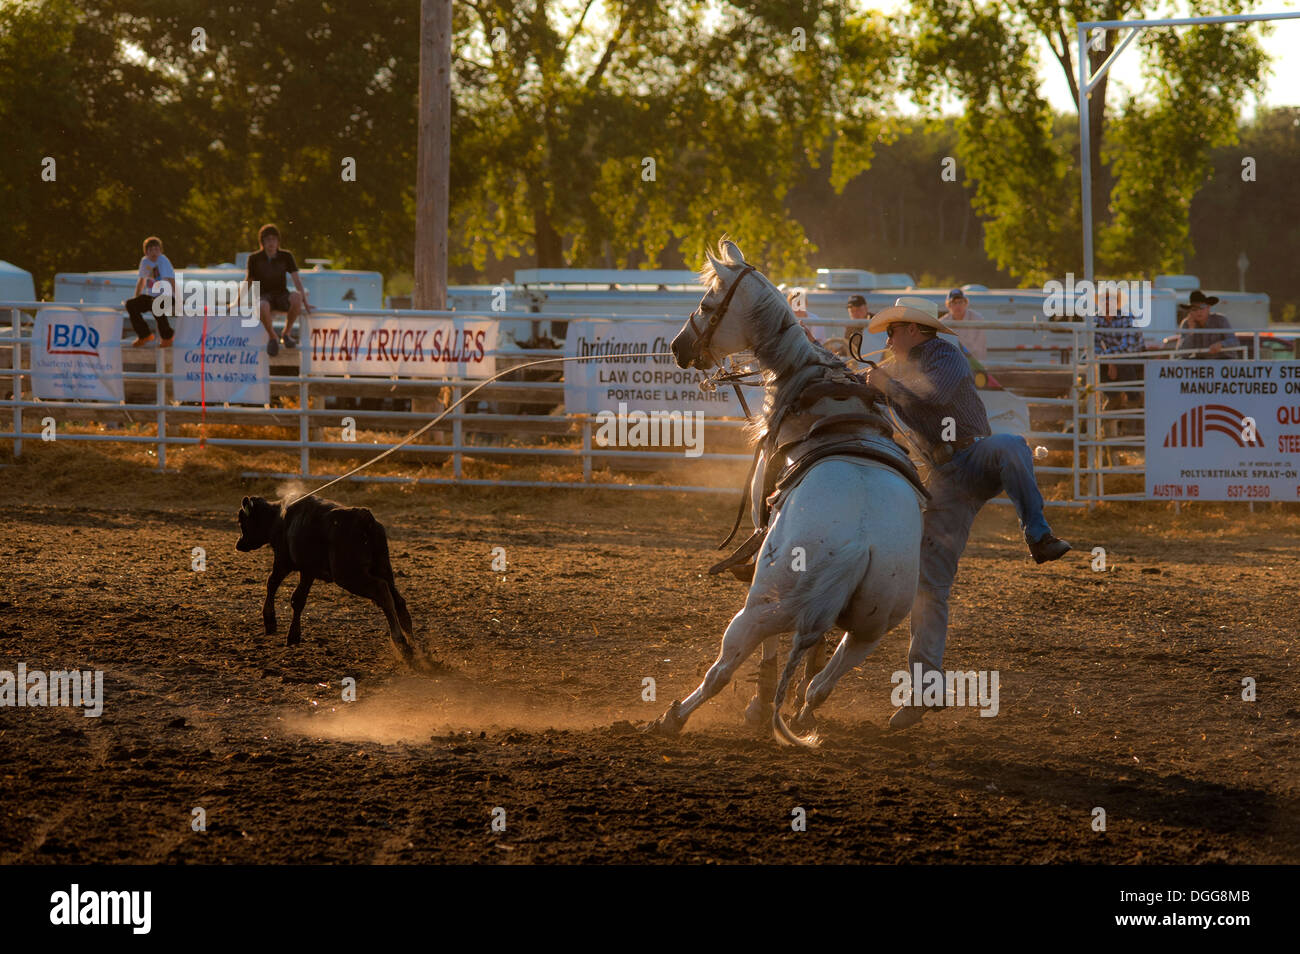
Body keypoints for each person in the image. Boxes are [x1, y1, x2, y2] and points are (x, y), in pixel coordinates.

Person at [860, 296, 1071, 730]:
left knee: (1012, 445)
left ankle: (1038, 534)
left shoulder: (946, 355)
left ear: (915, 330)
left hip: (975, 457)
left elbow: (932, 396)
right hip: (946, 480)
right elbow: (884, 390)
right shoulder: (897, 368)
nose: (888, 338)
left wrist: (884, 385)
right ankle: (924, 688)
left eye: (893, 330)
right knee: (929, 585)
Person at [246, 224, 312, 356]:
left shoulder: (286, 256)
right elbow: (248, 280)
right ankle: (272, 337)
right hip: (264, 296)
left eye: (274, 239)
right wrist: (236, 302)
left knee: (296, 297)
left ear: (278, 242)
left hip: (281, 294)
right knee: (263, 305)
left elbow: (297, 280)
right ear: (262, 242)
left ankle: (286, 333)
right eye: (268, 239)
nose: (271, 243)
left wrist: (304, 301)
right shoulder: (254, 258)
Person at [1094, 287, 1147, 432]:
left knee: (1125, 368)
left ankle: (1129, 411)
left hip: (1134, 359)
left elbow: (1128, 348)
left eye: (1110, 300)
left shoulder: (1127, 317)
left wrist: (1111, 360)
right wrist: (1111, 361)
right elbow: (1094, 347)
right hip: (1114, 361)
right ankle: (1114, 404)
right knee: (1096, 369)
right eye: (1103, 300)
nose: (1106, 303)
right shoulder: (1096, 320)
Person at [124, 236, 176, 347]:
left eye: (157, 250)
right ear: (145, 252)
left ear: (161, 251)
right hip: (152, 296)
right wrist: (136, 297)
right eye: (151, 250)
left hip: (167, 295)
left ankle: (167, 336)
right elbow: (141, 281)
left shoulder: (163, 260)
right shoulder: (144, 261)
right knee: (130, 304)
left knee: (156, 305)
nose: (154, 253)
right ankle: (145, 335)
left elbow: (172, 280)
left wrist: (178, 298)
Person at [1174, 290, 1238, 359]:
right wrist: (1191, 331)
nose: (1198, 311)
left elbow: (1234, 341)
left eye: (1202, 307)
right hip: (1201, 365)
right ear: (1190, 311)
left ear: (1208, 307)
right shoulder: (1187, 324)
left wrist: (1221, 344)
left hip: (1224, 362)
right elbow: (1181, 353)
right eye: (1194, 309)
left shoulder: (1220, 320)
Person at [942, 287, 987, 361]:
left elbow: (980, 347)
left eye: (960, 302)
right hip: (951, 362)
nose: (958, 306)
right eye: (954, 303)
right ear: (949, 305)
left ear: (966, 303)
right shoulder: (943, 322)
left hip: (974, 362)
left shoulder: (977, 319)